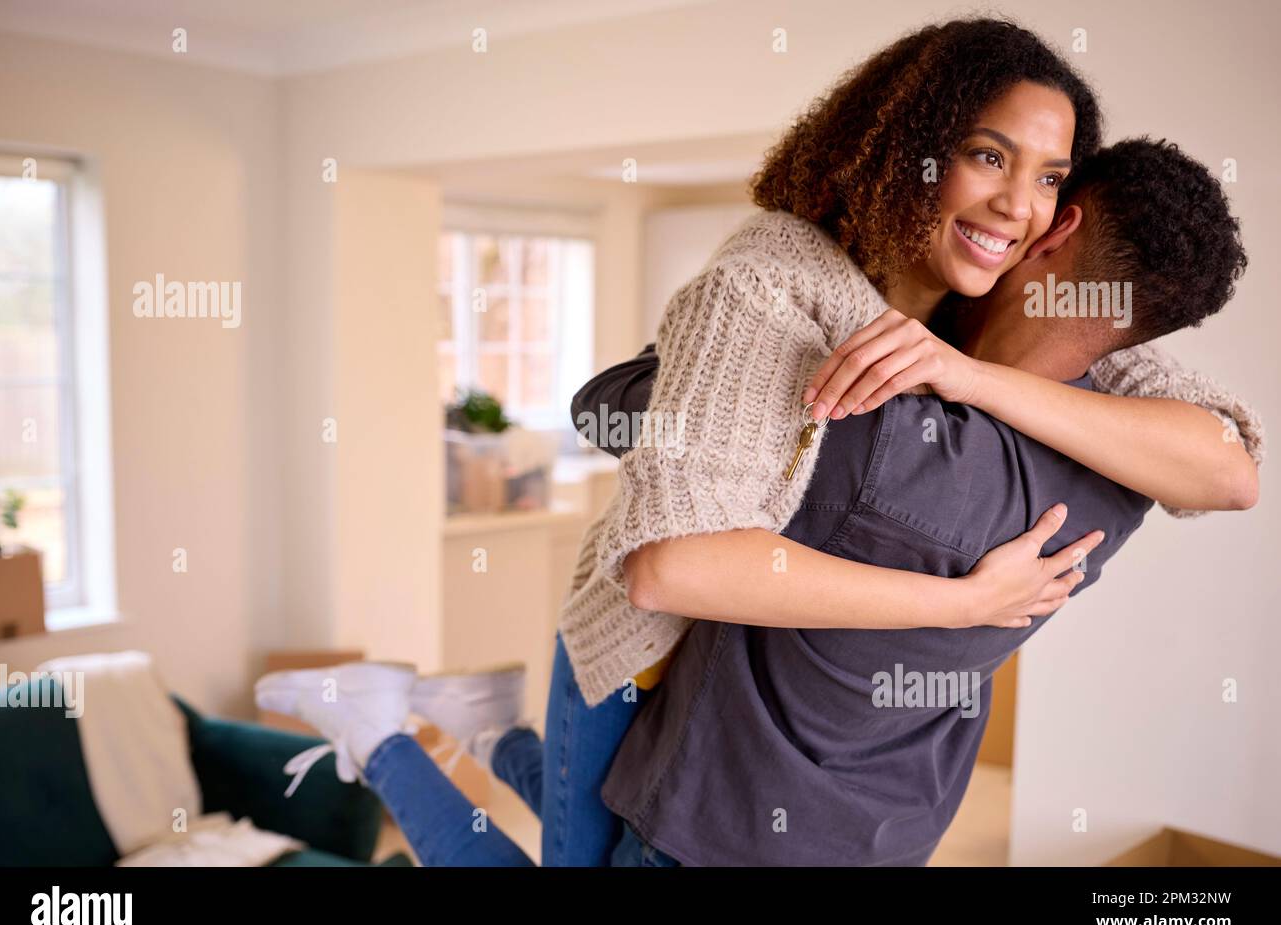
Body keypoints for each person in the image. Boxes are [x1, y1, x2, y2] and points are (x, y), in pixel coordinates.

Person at [257, 136, 1260, 866]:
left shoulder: (875, 420)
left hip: (718, 813)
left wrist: (928, 362)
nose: (1008, 208)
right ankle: (482, 733)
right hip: (887, 827)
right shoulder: (1132, 472)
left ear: (1062, 225)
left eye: (1040, 185)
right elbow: (1233, 472)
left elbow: (610, 414)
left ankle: (382, 737)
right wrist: (968, 369)